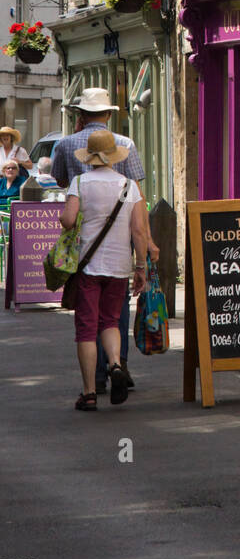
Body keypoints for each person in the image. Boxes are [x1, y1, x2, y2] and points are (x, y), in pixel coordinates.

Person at [51, 88, 156, 392]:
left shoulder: (67, 145)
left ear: (80, 115)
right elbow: (138, 200)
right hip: (120, 244)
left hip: (84, 248)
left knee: (88, 317)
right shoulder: (126, 144)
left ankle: (93, 381)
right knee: (114, 313)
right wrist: (145, 249)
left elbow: (61, 183)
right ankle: (117, 363)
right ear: (109, 114)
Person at [59, 130, 148, 411]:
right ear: (112, 156)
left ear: (91, 157)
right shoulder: (128, 186)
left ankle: (88, 393)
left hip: (88, 265)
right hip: (119, 266)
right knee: (110, 321)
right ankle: (116, 364)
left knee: (86, 328)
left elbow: (68, 220)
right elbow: (138, 230)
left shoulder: (80, 182)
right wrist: (141, 266)